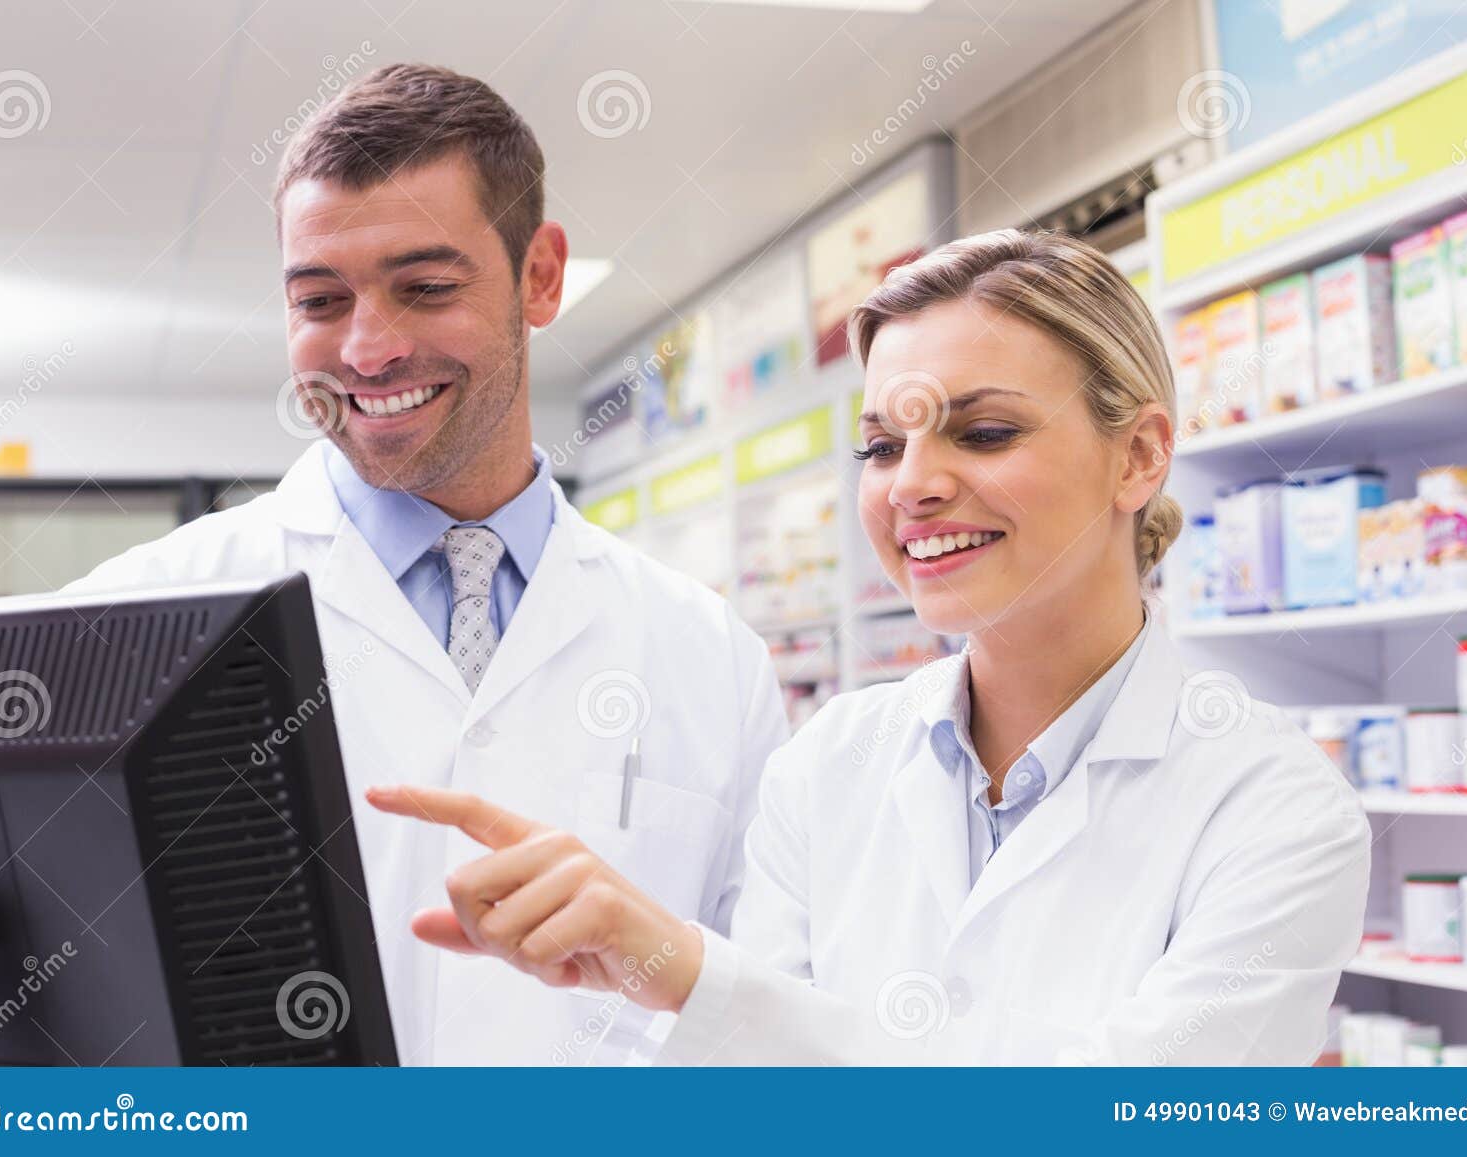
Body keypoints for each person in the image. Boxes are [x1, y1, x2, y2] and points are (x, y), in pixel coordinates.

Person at [368, 229, 1373, 1065]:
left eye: (981, 433)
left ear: (1140, 455)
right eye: (882, 446)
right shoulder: (826, 762)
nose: (911, 487)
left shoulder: (1276, 808)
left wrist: (692, 971)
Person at [62, 64, 789, 1066]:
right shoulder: (130, 622)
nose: (365, 349)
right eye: (320, 299)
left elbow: (770, 1013)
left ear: (540, 276)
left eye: (426, 287)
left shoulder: (710, 654)